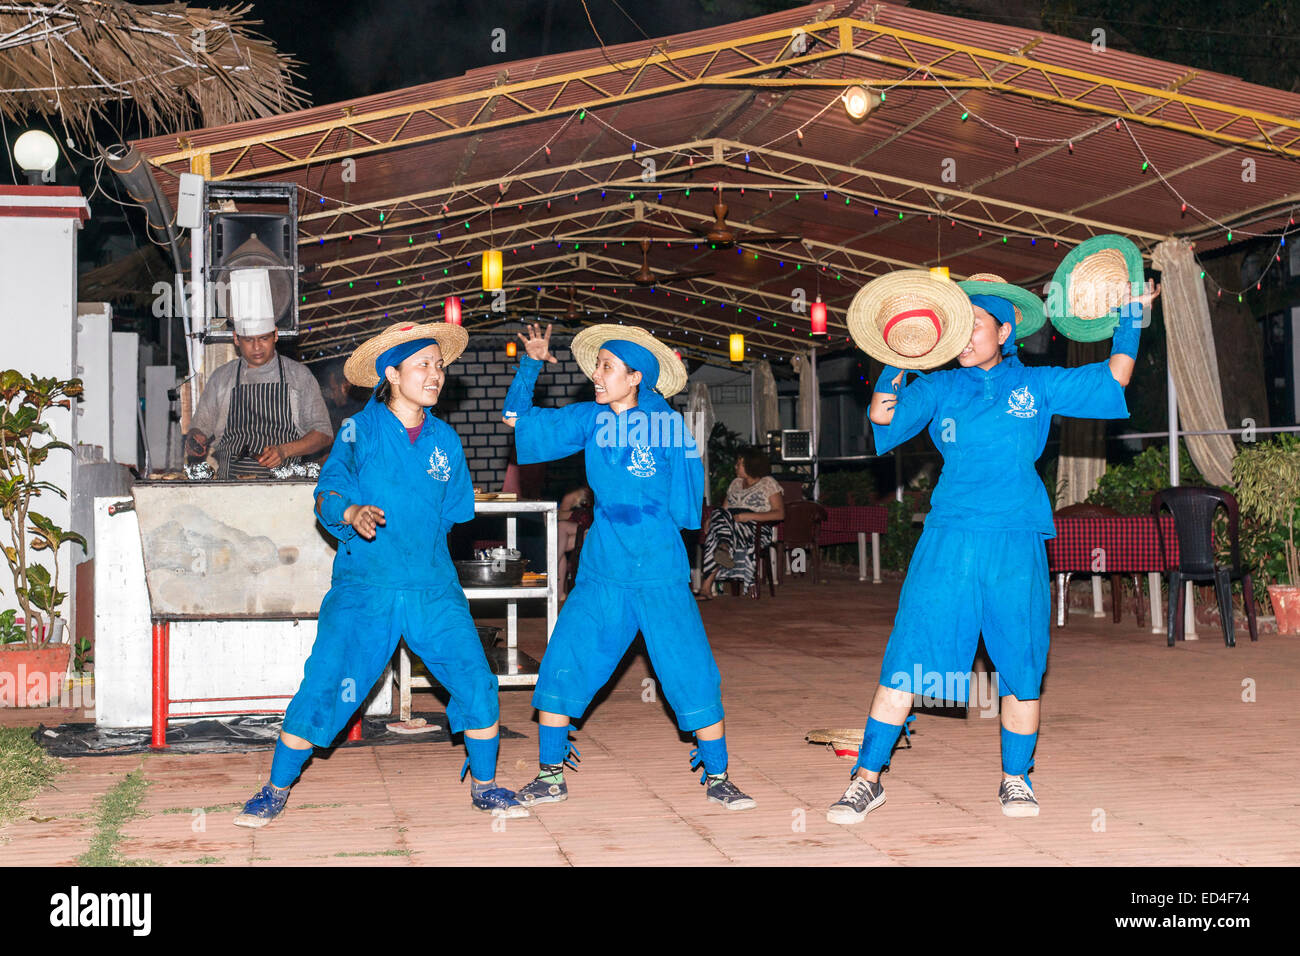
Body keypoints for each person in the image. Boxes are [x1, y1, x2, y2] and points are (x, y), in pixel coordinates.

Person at [826, 274, 1160, 825]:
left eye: (975, 326)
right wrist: (899, 356)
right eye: (957, 327)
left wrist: (1130, 321)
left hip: (1016, 538)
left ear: (1004, 331)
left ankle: (1016, 779)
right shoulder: (938, 387)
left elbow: (1113, 379)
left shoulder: (1039, 384)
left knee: (1021, 663)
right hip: (949, 538)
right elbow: (884, 416)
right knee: (908, 658)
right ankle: (866, 779)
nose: (964, 337)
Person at [234, 320, 527, 827]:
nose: (435, 375)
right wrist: (349, 513)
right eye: (423, 366)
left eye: (439, 366)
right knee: (326, 685)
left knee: (476, 681)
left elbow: (455, 514)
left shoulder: (446, 441)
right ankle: (274, 788)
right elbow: (328, 491)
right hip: (365, 588)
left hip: (433, 590)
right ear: (392, 373)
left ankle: (485, 786)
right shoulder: (358, 431)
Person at [501, 322, 756, 811]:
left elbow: (687, 503)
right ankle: (550, 775)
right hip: (602, 569)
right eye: (597, 366)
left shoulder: (666, 426)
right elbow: (516, 419)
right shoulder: (590, 419)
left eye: (606, 367)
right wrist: (530, 363)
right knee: (563, 663)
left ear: (636, 376)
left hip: (659, 568)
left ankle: (719, 776)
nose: (596, 376)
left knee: (690, 669)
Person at [186, 314, 333, 477]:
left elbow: (324, 434)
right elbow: (199, 429)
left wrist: (284, 450)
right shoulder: (221, 378)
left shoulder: (299, 375)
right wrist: (195, 439)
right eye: (248, 340)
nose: (257, 347)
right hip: (229, 488)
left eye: (263, 338)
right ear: (236, 338)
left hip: (286, 488)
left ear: (275, 335)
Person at [696, 447, 785, 599]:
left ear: (751, 465)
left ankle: (707, 587)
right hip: (731, 527)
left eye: (739, 464)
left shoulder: (768, 483)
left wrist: (748, 517)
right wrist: (711, 520)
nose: (735, 467)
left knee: (717, 535)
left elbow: (780, 513)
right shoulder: (735, 483)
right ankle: (723, 547)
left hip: (756, 529)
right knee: (717, 517)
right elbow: (724, 509)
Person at [556, 485, 593, 601]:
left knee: (560, 539)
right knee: (561, 543)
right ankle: (559, 593)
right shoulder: (574, 496)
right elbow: (559, 515)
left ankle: (552, 567)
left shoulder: (603, 492)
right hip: (581, 531)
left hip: (597, 532)